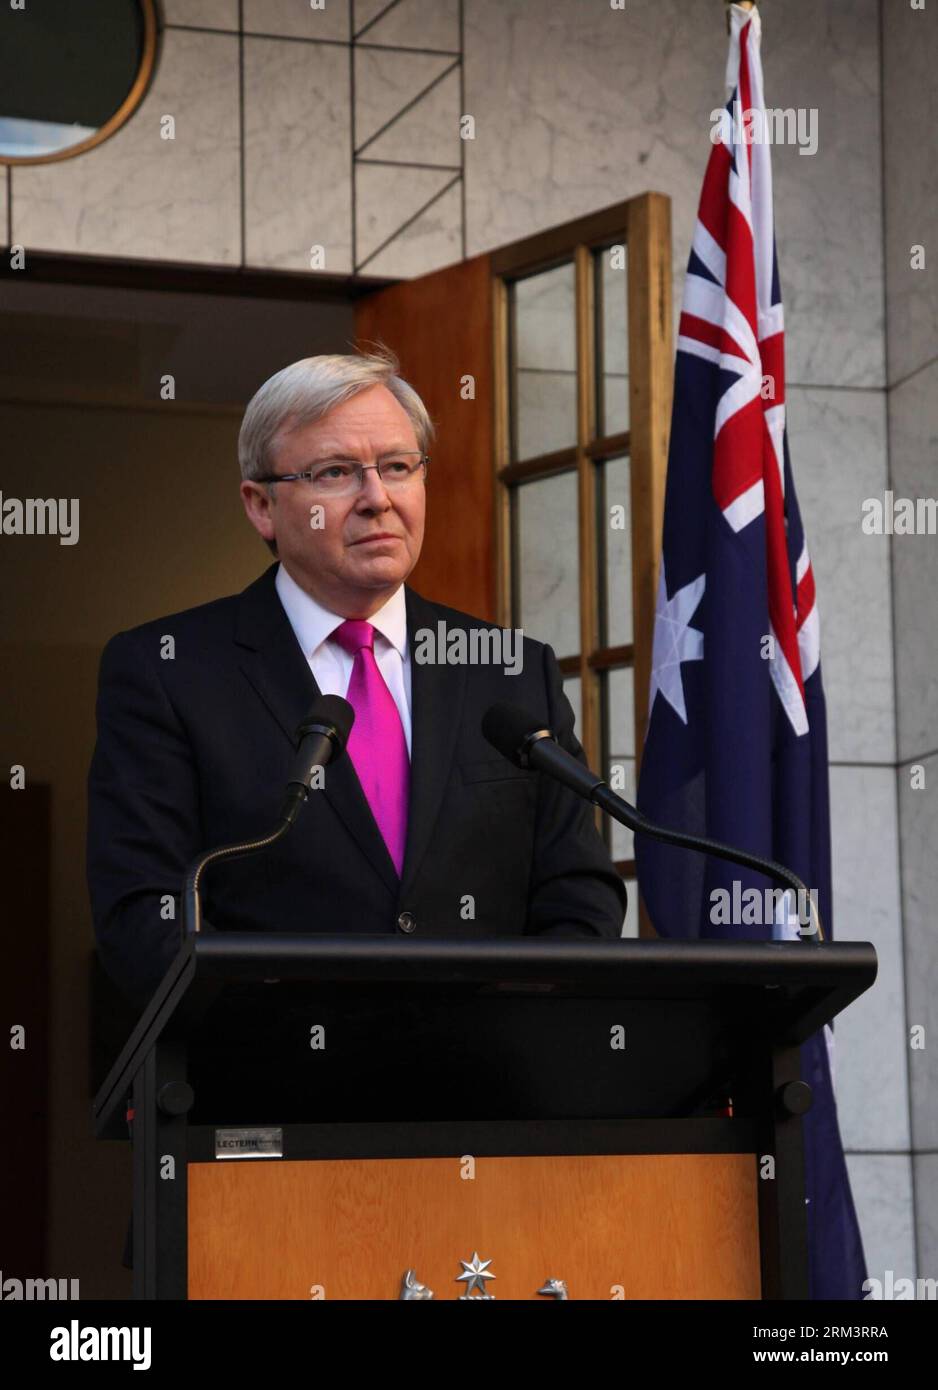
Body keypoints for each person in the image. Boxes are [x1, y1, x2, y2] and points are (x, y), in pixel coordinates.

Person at [86, 347, 626, 1012]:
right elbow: (145, 917)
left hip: (486, 1089)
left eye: (398, 467)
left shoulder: (511, 671)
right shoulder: (168, 670)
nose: (378, 499)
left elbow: (580, 895)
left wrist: (509, 1035)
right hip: (273, 1088)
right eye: (337, 472)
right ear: (261, 506)